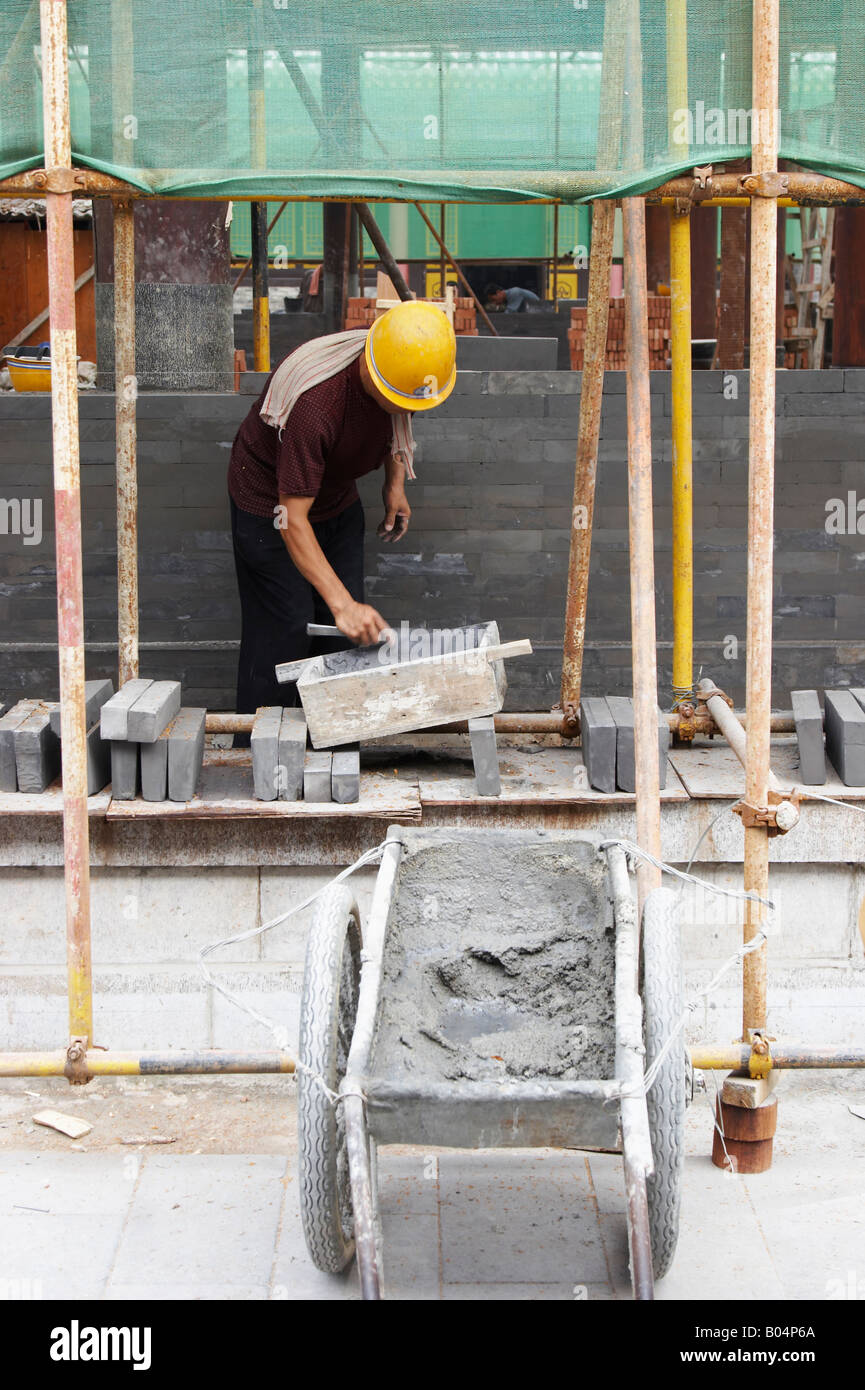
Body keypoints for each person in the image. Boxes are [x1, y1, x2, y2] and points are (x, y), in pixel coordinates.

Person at [227, 300, 457, 715]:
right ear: (371, 372)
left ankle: (331, 751)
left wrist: (394, 482)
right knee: (285, 630)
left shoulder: (395, 359)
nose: (407, 411)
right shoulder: (317, 404)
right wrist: (343, 604)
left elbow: (396, 417)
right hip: (271, 508)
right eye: (398, 399)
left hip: (334, 500)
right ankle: (264, 750)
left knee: (343, 635)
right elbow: (291, 519)